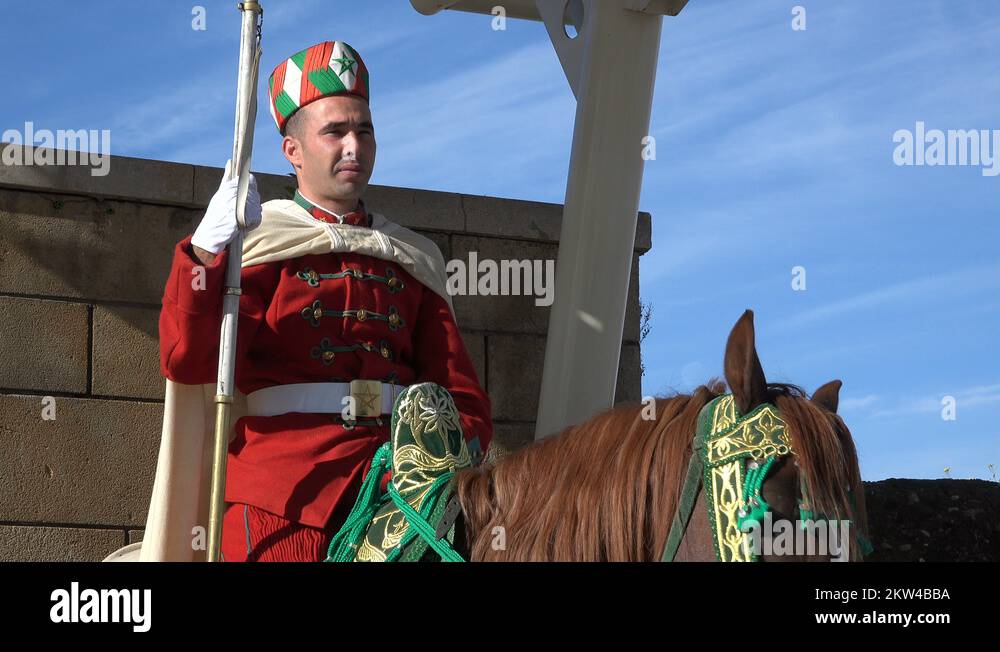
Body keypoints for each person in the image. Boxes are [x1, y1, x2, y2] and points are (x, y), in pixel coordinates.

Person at [158, 40, 492, 561]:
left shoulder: (412, 257)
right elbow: (191, 361)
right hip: (283, 498)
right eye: (335, 131)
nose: (353, 146)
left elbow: (462, 398)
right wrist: (207, 251)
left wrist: (442, 464)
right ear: (293, 150)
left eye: (364, 129)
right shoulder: (258, 242)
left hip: (402, 498)